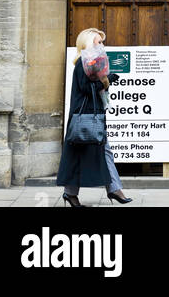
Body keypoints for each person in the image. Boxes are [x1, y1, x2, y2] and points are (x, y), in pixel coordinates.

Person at [57, 27, 132, 207]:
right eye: (99, 42)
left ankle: (108, 190)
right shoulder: (83, 64)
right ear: (89, 44)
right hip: (85, 117)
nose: (102, 45)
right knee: (89, 152)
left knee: (97, 152)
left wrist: (105, 80)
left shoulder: (92, 64)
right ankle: (110, 190)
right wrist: (108, 81)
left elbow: (92, 88)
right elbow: (86, 88)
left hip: (91, 116)